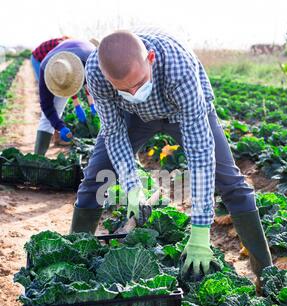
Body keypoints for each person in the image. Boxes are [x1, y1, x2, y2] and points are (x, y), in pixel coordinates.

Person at [70, 30, 272, 281]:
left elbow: (200, 153)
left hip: (181, 111)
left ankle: (266, 276)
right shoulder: (97, 73)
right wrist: (132, 187)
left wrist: (200, 230)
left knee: (231, 183)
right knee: (96, 178)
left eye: (139, 83)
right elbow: (114, 132)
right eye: (123, 88)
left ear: (151, 59)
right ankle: (74, 262)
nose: (133, 92)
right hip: (133, 116)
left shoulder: (178, 68)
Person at [34, 39, 97, 155]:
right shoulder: (46, 69)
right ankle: (37, 157)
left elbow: (93, 88)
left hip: (85, 57)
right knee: (50, 115)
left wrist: (93, 105)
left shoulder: (92, 62)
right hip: (51, 61)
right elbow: (46, 105)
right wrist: (60, 126)